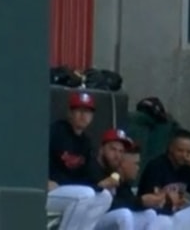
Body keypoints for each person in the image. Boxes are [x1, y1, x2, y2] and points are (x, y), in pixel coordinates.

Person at [49, 91, 117, 230]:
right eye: (79, 110)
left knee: (105, 197)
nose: (83, 115)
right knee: (85, 195)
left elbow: (92, 173)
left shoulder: (85, 142)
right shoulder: (56, 131)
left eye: (87, 112)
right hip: (49, 190)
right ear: (70, 113)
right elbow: (36, 156)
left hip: (69, 191)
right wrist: (43, 179)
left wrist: (107, 181)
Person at [96, 130, 173, 230]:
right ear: (101, 149)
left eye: (121, 151)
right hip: (90, 222)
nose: (117, 156)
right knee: (124, 215)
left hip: (109, 220)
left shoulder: (116, 176)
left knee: (150, 214)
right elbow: (108, 205)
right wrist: (140, 201)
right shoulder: (93, 169)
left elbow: (129, 202)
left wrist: (161, 202)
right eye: (113, 149)